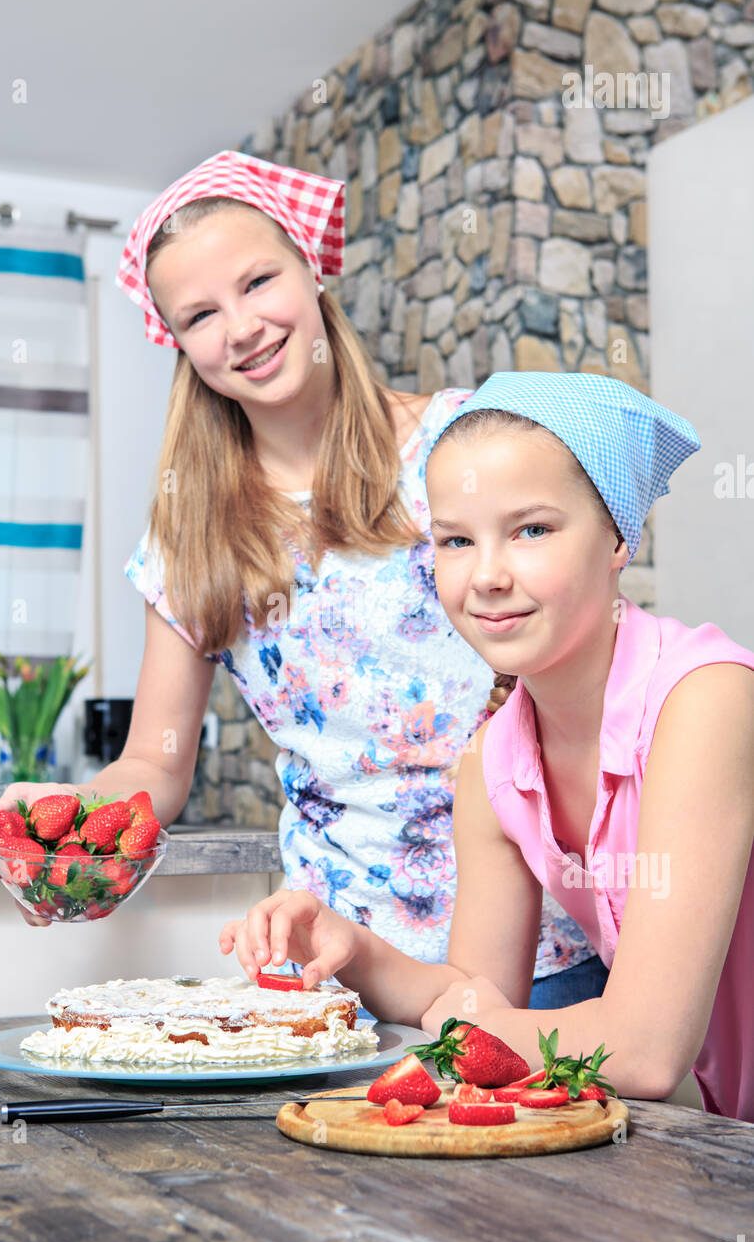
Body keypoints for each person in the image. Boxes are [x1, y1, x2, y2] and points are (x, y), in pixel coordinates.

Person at [0, 150, 603, 1011]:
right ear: (179, 344)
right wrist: (72, 822)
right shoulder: (190, 533)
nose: (239, 326)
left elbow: (588, 645)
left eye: (257, 281)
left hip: (547, 941)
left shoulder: (461, 443)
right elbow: (154, 767)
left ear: (311, 267)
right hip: (332, 963)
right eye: (200, 314)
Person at [219, 370, 754, 1122]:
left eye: (533, 529)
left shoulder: (705, 698)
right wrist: (354, 950)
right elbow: (467, 993)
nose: (488, 576)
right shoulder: (494, 760)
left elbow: (644, 1050)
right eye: (456, 541)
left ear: (618, 538)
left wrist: (466, 1029)